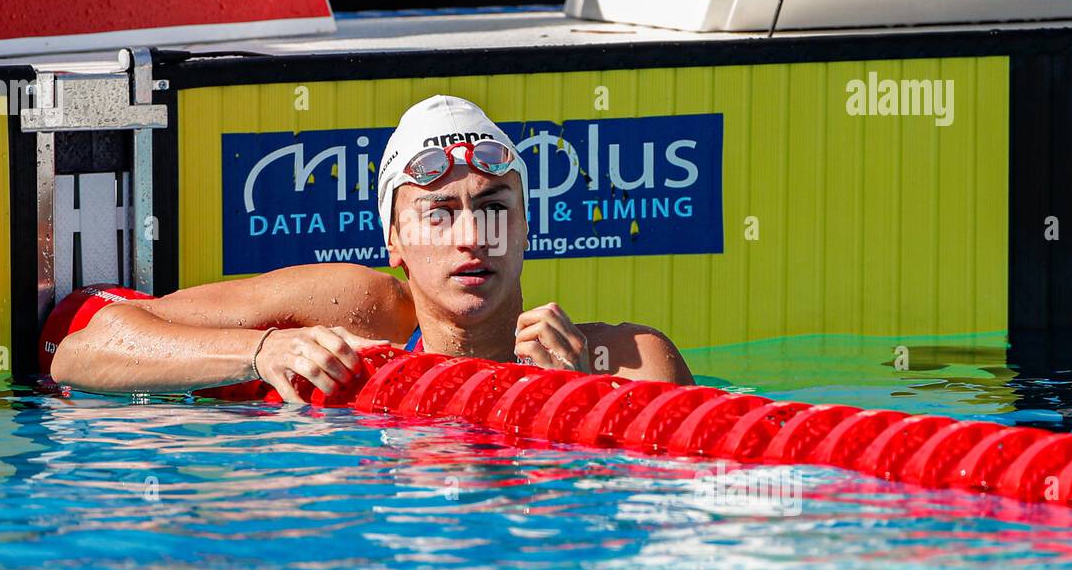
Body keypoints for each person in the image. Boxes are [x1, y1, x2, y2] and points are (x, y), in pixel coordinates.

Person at [50, 94, 693, 401]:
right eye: (438, 214)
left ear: (528, 229)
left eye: (495, 209)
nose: (472, 237)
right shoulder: (359, 310)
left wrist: (579, 402)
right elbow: (83, 350)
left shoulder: (629, 365)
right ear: (395, 241)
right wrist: (262, 350)